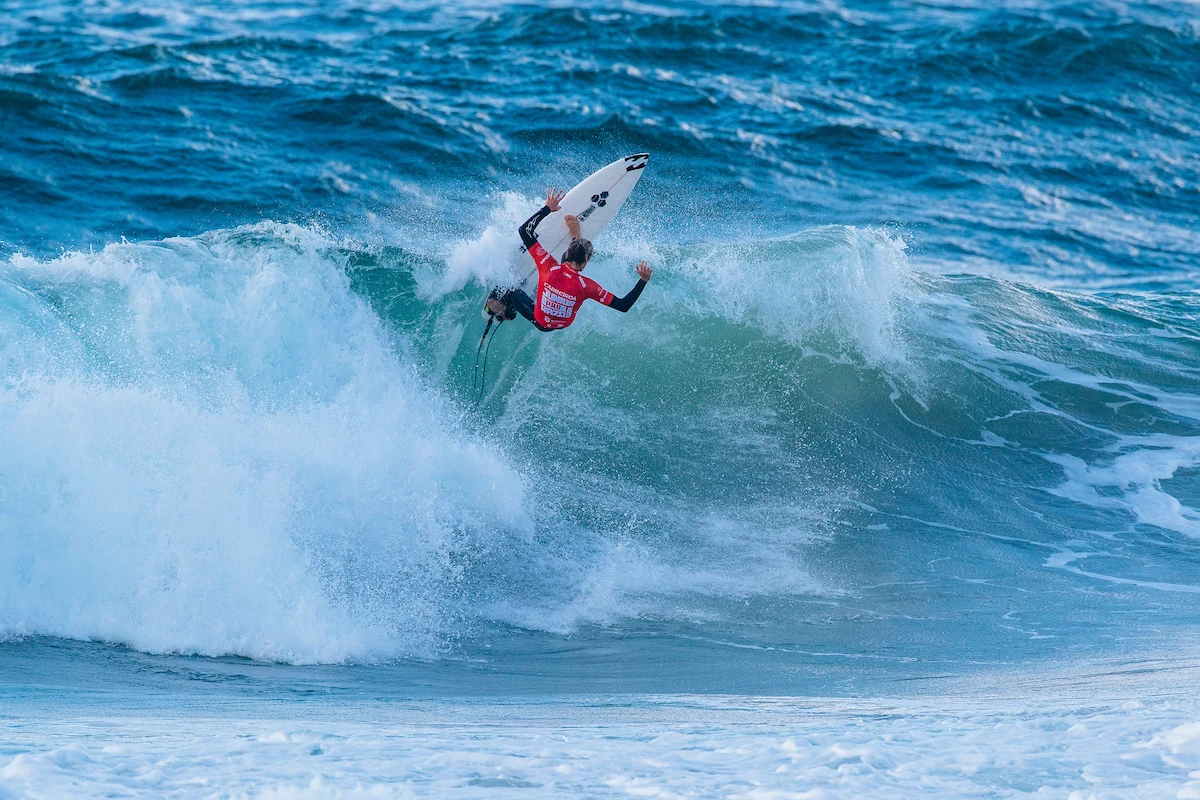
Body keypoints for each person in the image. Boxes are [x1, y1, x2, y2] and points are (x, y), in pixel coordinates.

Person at [485, 188, 652, 331]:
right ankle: (575, 236)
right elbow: (623, 305)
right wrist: (643, 280)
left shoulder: (548, 266)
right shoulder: (588, 286)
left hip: (541, 321)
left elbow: (524, 231)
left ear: (568, 253)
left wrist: (546, 209)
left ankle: (505, 312)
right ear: (586, 261)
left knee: (510, 289)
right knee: (561, 279)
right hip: (560, 324)